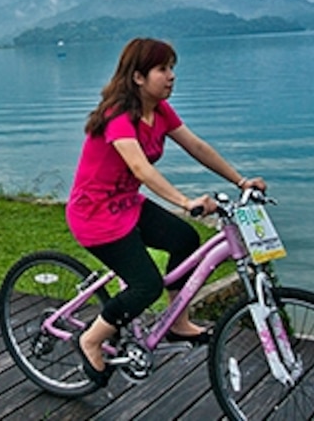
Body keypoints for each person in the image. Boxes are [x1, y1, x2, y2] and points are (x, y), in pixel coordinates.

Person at [68, 38, 266, 387]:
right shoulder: (118, 115)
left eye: (172, 68)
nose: (171, 76)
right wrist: (184, 200)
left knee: (185, 238)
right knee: (146, 286)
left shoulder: (159, 110)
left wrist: (241, 180)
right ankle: (91, 339)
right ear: (139, 77)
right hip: (95, 214)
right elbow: (140, 168)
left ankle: (178, 322)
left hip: (127, 204)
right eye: (163, 69)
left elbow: (197, 146)